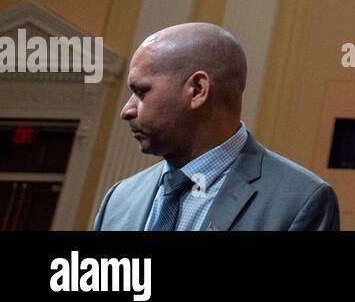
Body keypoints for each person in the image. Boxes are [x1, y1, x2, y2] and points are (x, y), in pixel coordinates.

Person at [93, 23, 339, 230]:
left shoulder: (300, 200)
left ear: (198, 89)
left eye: (141, 92)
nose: (127, 111)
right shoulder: (119, 199)